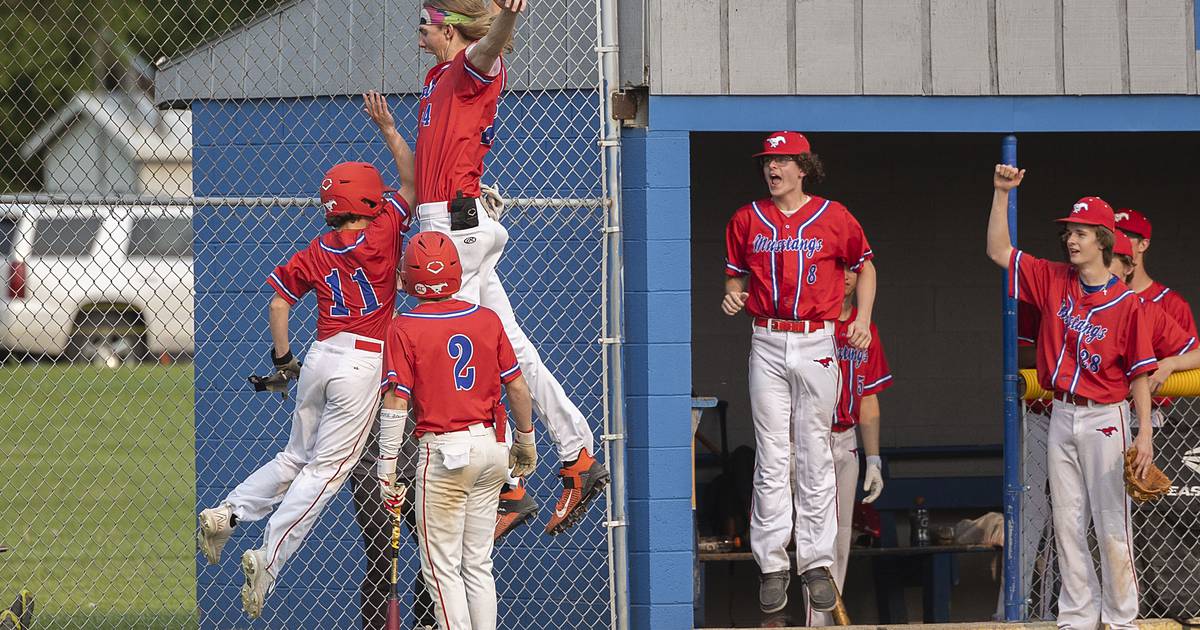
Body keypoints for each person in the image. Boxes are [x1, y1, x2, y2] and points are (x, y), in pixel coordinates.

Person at [412, 0, 607, 539]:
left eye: (424, 21)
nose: (418, 31)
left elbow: (491, 48)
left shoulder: (470, 66)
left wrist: (508, 17)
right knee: (511, 349)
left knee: (468, 348)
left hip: (453, 230)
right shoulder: (437, 77)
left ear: (448, 25)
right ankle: (577, 456)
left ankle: (512, 487)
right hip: (458, 220)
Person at [195, 160, 414, 619]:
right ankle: (269, 560)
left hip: (320, 354)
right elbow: (412, 180)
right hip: (363, 361)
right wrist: (390, 129)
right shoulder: (383, 231)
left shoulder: (317, 247)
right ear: (368, 200)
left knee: (295, 458)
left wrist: (282, 360)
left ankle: (228, 514)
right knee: (326, 473)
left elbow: (279, 303)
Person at [987, 164, 1155, 630]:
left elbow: (1141, 373)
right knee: (1067, 520)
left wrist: (1144, 433)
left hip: (1106, 416)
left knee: (1110, 523)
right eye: (1068, 232)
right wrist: (1002, 193)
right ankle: (1079, 615)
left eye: (1080, 232)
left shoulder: (1127, 303)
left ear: (1103, 240)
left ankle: (1121, 619)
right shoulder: (1053, 278)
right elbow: (998, 250)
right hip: (1061, 411)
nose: (1071, 240)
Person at [722, 131, 877, 615]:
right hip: (767, 336)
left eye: (783, 160)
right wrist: (732, 293)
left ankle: (814, 561)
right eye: (768, 160)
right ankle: (772, 563)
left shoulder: (835, 216)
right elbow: (735, 276)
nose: (773, 168)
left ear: (803, 167)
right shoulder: (747, 217)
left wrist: (864, 320)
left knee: (815, 449)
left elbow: (866, 266)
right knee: (772, 452)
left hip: (817, 337)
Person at [377, 231, 537, 630]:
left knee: (441, 570)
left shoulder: (404, 326)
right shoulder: (487, 318)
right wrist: (526, 439)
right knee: (477, 565)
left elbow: (397, 400)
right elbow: (516, 386)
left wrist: (386, 467)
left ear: (409, 276)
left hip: (444, 455)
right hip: (491, 449)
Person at [810, 268, 891, 626]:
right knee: (814, 534)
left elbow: (869, 399)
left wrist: (873, 458)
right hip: (809, 437)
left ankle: (827, 621)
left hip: (846, 440)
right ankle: (815, 621)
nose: (843, 276)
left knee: (841, 538)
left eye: (851, 270)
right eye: (836, 266)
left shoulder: (865, 330)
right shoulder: (809, 323)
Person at [1115, 208, 1198, 337]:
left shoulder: (1172, 304)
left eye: (1124, 237)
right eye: (1110, 236)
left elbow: (1194, 356)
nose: (1115, 243)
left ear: (1143, 244)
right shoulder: (1093, 296)